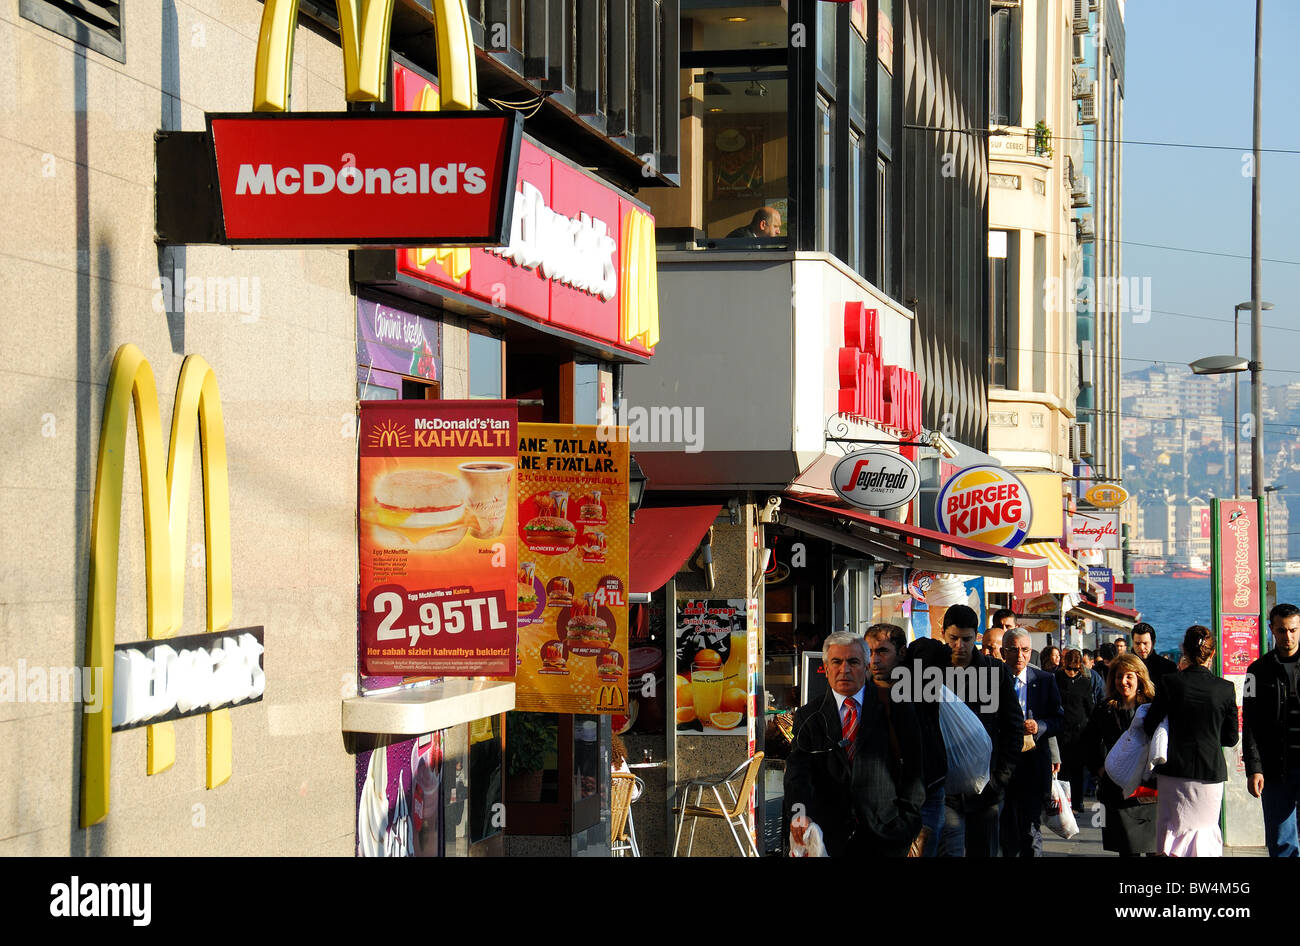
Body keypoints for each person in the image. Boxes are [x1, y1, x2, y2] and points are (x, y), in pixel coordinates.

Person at [785, 632, 925, 856]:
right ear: (826, 667)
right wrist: (800, 813)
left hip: (886, 837)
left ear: (867, 666)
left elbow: (915, 771)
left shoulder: (895, 707)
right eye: (837, 662)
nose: (845, 669)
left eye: (853, 661)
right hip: (828, 840)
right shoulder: (809, 716)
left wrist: (906, 823)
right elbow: (797, 775)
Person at [1142, 625, 1239, 857]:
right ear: (1213, 654)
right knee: (1204, 834)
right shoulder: (1225, 689)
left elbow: (1149, 725)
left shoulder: (1169, 683)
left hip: (1173, 769)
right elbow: (1231, 737)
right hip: (1210, 770)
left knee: (1171, 832)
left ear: (1183, 649)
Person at [938, 605, 1023, 857]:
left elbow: (1013, 727)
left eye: (966, 639)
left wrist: (1000, 779)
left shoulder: (996, 672)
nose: (960, 646)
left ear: (976, 636)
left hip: (987, 788)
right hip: (944, 790)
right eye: (953, 639)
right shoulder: (931, 672)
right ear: (943, 634)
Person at [866, 622, 949, 856]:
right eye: (869, 652)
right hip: (883, 797)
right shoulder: (862, 691)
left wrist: (908, 660)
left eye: (883, 651)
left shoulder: (921, 682)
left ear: (902, 652)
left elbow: (932, 648)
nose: (874, 660)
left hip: (926, 791)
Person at [1083, 653, 1158, 856]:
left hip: (1149, 787)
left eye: (1129, 676)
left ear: (1139, 677)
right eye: (1118, 676)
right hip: (1117, 788)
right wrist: (1100, 769)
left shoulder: (1153, 707)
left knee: (1154, 847)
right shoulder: (1105, 708)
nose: (1123, 681)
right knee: (1126, 849)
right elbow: (1089, 741)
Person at [1000, 628, 1064, 857]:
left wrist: (1039, 726)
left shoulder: (1045, 680)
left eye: (1025, 650)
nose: (1020, 655)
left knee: (1031, 827)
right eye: (1014, 650)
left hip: (1033, 763)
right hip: (1002, 765)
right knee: (1006, 827)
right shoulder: (993, 680)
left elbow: (1058, 718)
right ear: (1002, 652)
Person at [1243, 602, 1300, 857]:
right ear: (1271, 630)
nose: (1288, 636)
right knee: (1281, 840)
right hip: (1276, 767)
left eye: (1293, 630)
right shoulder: (1256, 671)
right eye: (1281, 630)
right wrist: (1254, 768)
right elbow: (1250, 724)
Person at [1054, 649, 1095, 812]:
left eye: (1075, 669)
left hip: (1079, 732)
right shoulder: (1056, 679)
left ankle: (1078, 802)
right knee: (1062, 770)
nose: (1072, 672)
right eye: (1069, 668)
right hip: (1061, 730)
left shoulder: (1084, 682)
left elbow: (1089, 707)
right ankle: (1064, 802)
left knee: (1078, 771)